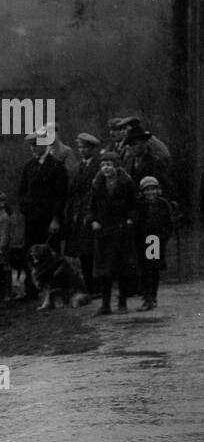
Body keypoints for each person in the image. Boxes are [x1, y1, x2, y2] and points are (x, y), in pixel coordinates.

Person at [85, 151, 138, 315]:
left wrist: (130, 219)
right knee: (104, 270)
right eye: (102, 165)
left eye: (109, 165)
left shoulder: (127, 182)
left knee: (122, 267)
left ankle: (122, 303)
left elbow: (134, 205)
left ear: (116, 165)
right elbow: (90, 208)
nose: (105, 168)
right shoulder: (97, 184)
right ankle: (105, 305)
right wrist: (92, 221)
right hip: (103, 231)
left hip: (121, 230)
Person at [17, 135, 69, 299]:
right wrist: (25, 208)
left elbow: (61, 195)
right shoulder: (29, 166)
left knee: (50, 255)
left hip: (49, 219)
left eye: (36, 145)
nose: (33, 148)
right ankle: (31, 290)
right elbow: (22, 191)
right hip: (32, 219)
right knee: (30, 253)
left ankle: (55, 292)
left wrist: (55, 218)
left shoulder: (56, 166)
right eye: (31, 145)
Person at [65, 132, 103, 300]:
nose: (82, 150)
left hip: (95, 212)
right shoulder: (76, 168)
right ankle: (89, 286)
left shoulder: (100, 167)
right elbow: (72, 193)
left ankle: (99, 286)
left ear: (93, 149)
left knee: (96, 251)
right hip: (80, 214)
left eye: (85, 147)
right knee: (84, 252)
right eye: (80, 147)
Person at [132, 176, 173, 311]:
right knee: (142, 269)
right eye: (147, 190)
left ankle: (151, 297)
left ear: (158, 190)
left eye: (153, 190)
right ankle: (146, 296)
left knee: (152, 269)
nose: (150, 193)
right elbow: (135, 222)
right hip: (141, 240)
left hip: (155, 240)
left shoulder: (163, 204)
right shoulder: (138, 205)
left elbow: (169, 223)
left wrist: (163, 238)